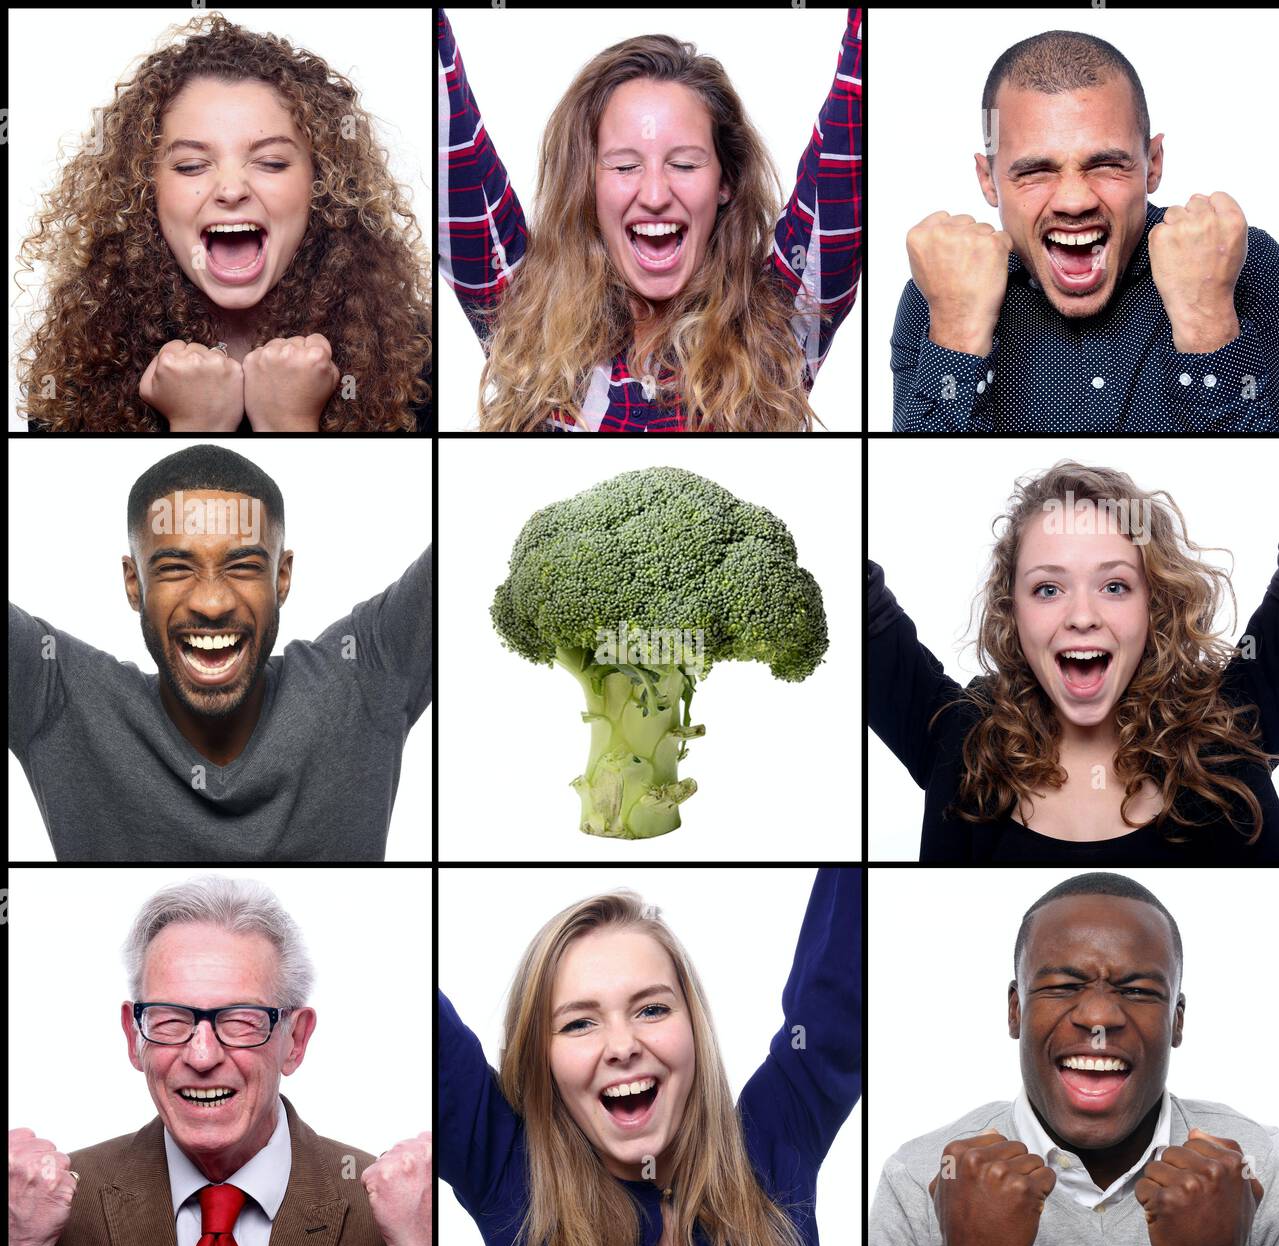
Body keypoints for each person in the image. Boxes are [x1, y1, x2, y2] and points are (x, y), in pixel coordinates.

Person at [437, 7, 861, 431]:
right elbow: (450, 130)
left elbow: (850, 120)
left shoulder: (781, 326)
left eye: (685, 165)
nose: (655, 196)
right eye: (624, 167)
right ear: (588, 184)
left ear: (725, 180)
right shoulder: (528, 313)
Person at [439, 870, 860, 1246]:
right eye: (579, 1023)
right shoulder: (509, 1174)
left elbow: (843, 969)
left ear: (694, 1027)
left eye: (652, 1010)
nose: (622, 1046)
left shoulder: (772, 1144)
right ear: (541, 1058)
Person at [868, 874, 1279, 1246]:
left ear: (1177, 1021)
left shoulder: (1267, 1171)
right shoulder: (919, 1179)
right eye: (1064, 986)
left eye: (1139, 991)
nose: (1100, 1018)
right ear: (1016, 1010)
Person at [8, 875, 431, 1246]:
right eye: (171, 1020)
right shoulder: (42, 1207)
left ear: (295, 1040)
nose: (202, 1056)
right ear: (133, 1035)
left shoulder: (393, 1215)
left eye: (240, 1021)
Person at [7, 446, 432, 861]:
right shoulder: (54, 694)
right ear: (134, 584)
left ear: (281, 580)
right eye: (175, 568)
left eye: (243, 566)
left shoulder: (366, 674)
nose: (211, 603)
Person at [17, 13, 431, 432]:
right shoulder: (80, 370)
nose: (231, 190)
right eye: (192, 166)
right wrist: (197, 424)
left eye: (271, 163)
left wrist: (290, 421)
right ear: (147, 191)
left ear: (321, 186)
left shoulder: (411, 363)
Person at [868, 461, 1279, 862]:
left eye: (1114, 585)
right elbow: (856, 598)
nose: (1082, 617)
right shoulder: (959, 742)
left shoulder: (1230, 729)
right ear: (1012, 608)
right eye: (1049, 589)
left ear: (1154, 603)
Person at [891, 30, 1279, 432]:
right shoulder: (936, 294)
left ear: (1153, 163)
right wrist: (957, 329)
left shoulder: (1240, 262)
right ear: (988, 180)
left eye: (1105, 165)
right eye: (1035, 171)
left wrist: (1207, 321)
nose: (1074, 200)